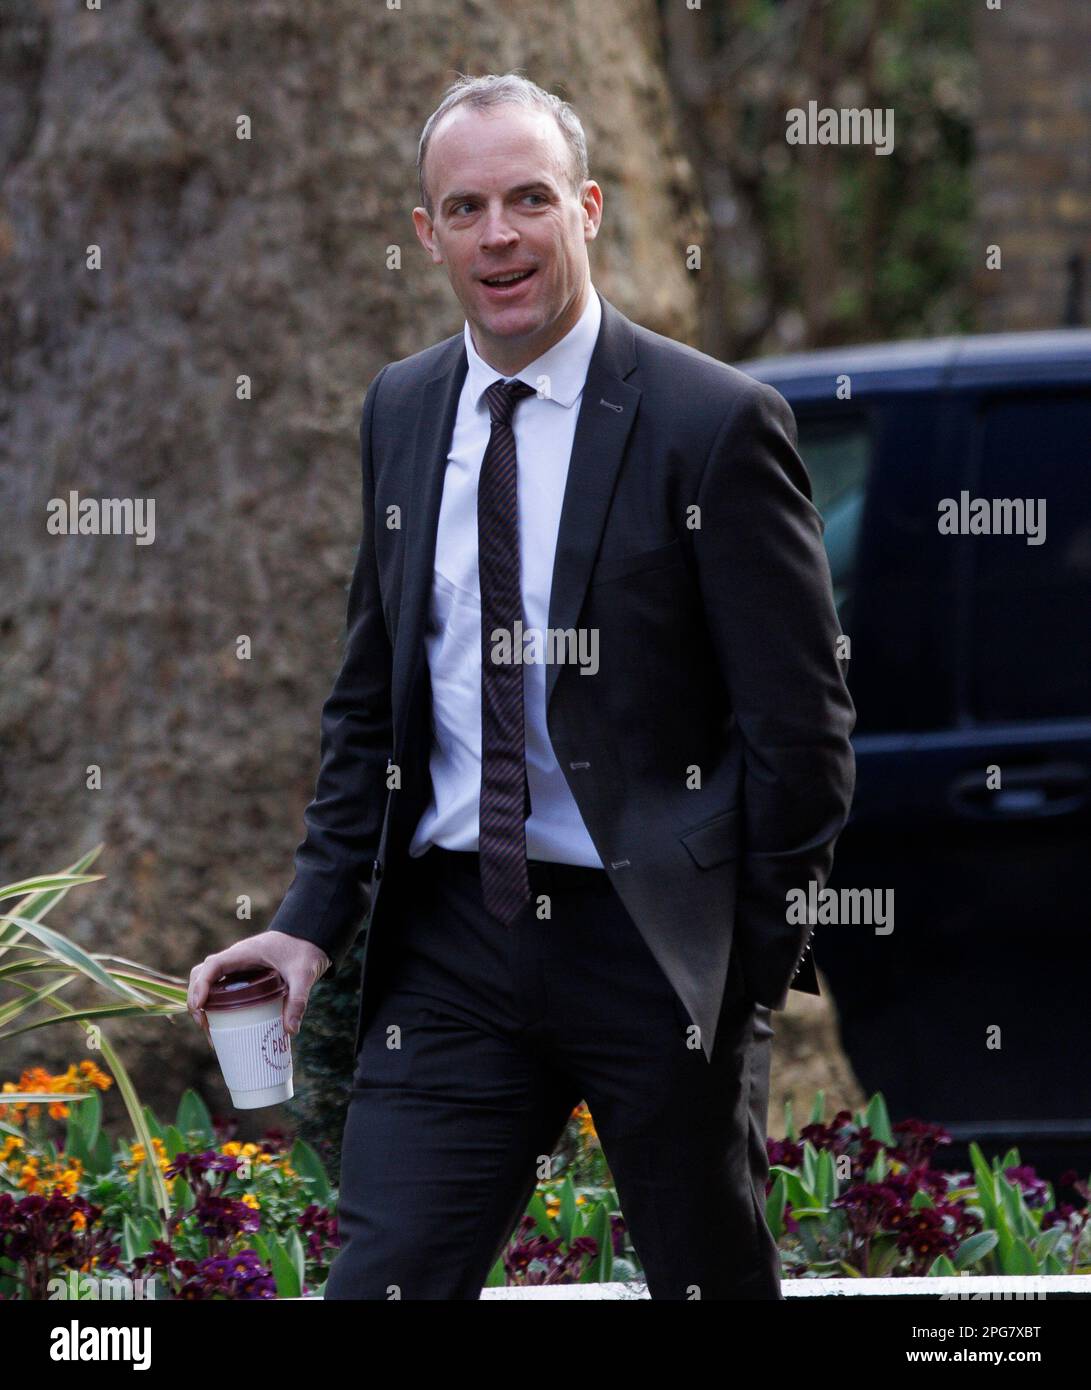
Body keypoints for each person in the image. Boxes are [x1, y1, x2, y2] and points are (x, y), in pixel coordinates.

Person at [189, 72, 856, 1300]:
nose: (498, 232)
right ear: (425, 232)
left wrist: (741, 961)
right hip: (453, 943)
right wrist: (308, 921)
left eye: (529, 198)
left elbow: (800, 730)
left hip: (652, 943)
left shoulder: (710, 423)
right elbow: (368, 699)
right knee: (382, 1278)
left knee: (708, 1284)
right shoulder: (400, 409)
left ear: (588, 208)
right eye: (465, 206)